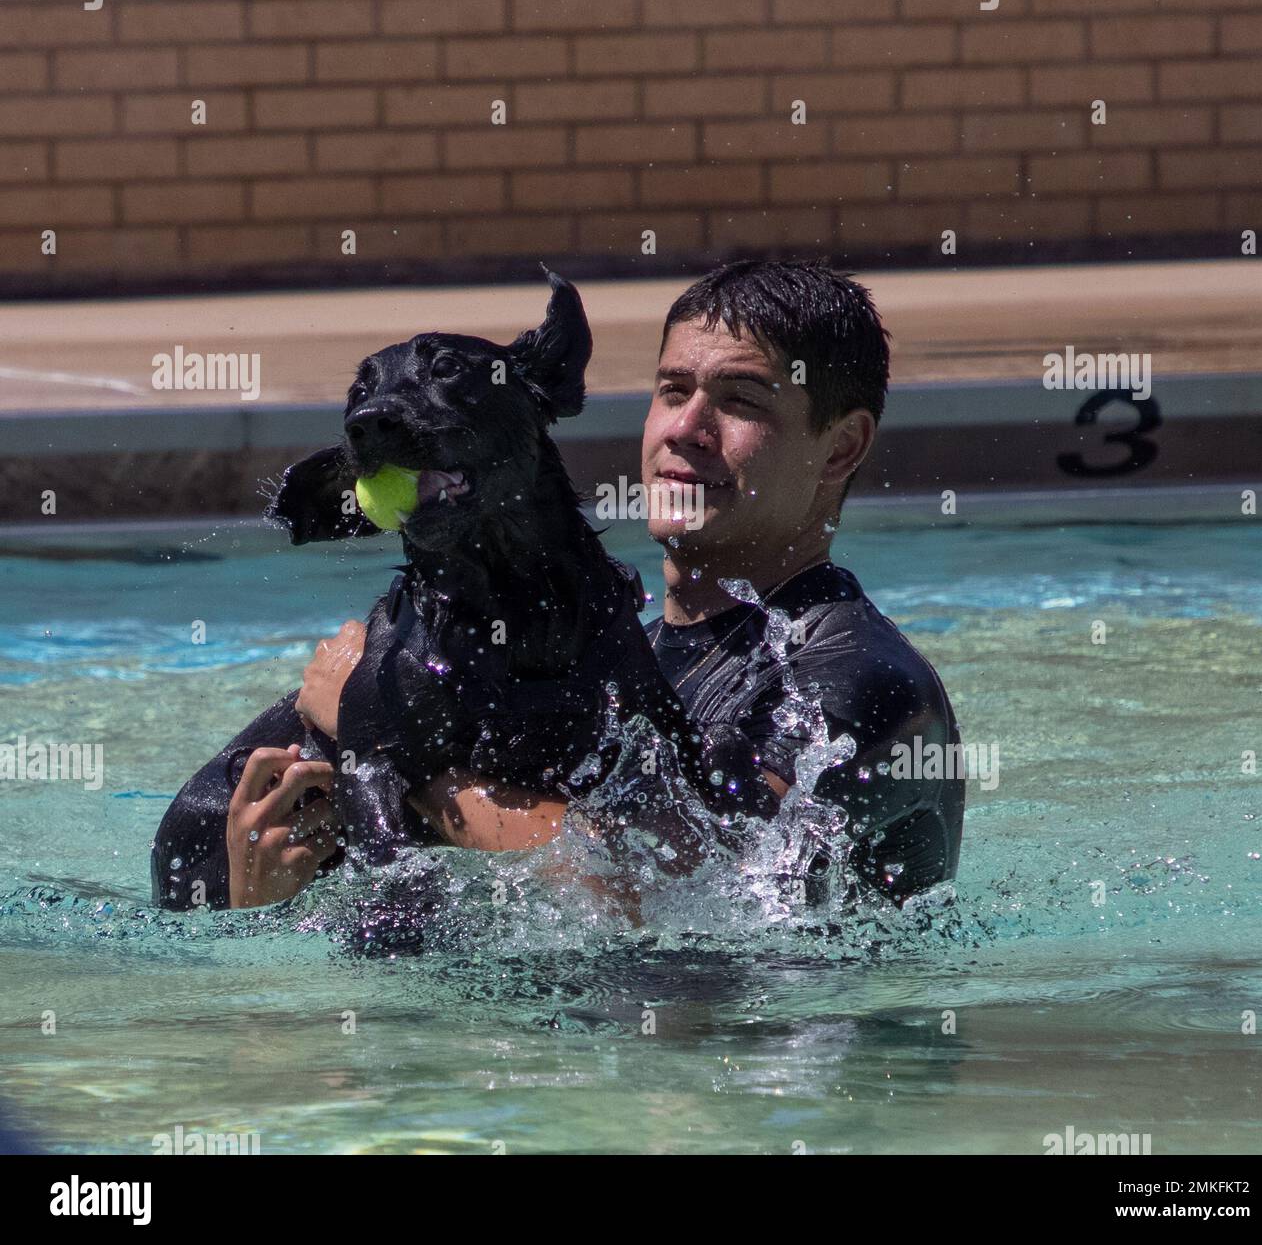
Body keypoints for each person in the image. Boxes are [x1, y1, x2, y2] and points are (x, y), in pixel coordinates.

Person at [232, 259, 964, 908]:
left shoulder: (857, 679)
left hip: (790, 1054)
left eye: (741, 400)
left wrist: (389, 749)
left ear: (842, 447)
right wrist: (263, 899)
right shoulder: (604, 655)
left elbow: (689, 886)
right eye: (673, 391)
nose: (688, 427)